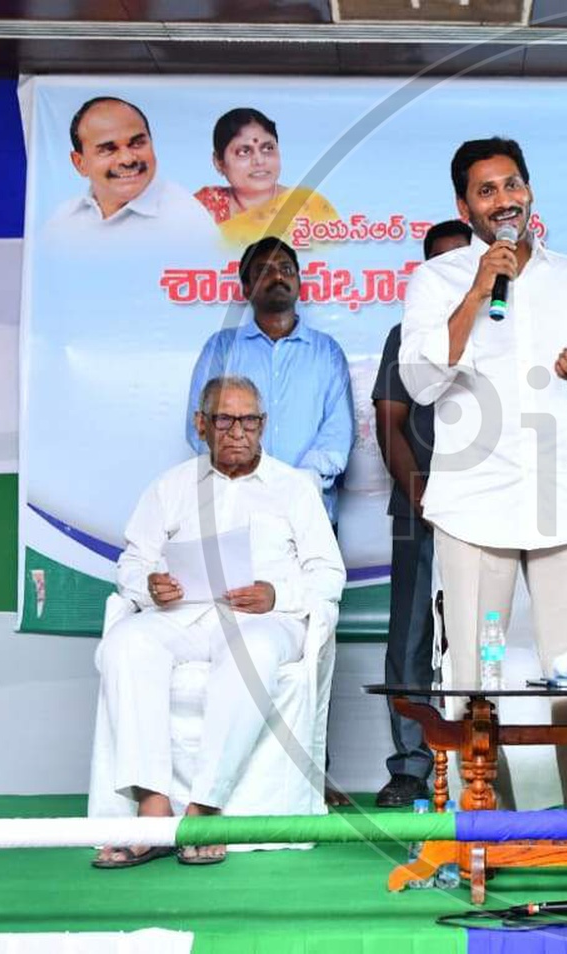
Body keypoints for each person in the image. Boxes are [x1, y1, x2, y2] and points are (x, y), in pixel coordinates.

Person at [399, 138, 567, 809]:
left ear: (530, 193)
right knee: (472, 679)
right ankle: (487, 830)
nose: (504, 200)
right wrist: (477, 288)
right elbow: (420, 381)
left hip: (558, 502)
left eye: (513, 185)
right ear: (465, 206)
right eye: (488, 190)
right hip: (473, 504)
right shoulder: (436, 281)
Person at [93, 375, 345, 868]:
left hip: (263, 621)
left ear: (263, 425)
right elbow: (132, 561)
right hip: (183, 615)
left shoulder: (294, 489)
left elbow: (328, 575)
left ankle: (205, 808)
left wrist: (278, 594)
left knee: (248, 654)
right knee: (126, 644)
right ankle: (153, 809)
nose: (238, 432)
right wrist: (149, 584)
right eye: (225, 419)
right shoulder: (169, 487)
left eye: (249, 420)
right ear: (201, 424)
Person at [372, 219, 470, 808]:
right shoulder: (404, 335)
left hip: (491, 512)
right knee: (411, 636)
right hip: (420, 507)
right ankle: (411, 765)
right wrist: (423, 497)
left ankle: (479, 762)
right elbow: (390, 422)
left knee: (482, 640)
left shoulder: (504, 334)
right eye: (438, 265)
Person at [186, 237, 355, 523]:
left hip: (309, 512)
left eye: (287, 269)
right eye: (265, 270)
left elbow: (338, 433)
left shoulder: (326, 352)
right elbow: (201, 427)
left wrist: (296, 484)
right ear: (247, 288)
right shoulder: (221, 349)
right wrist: (248, 478)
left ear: (299, 283)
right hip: (236, 510)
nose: (278, 276)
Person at [44, 96, 215, 241]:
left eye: (137, 143)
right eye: (108, 149)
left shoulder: (186, 220)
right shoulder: (63, 220)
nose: (127, 159)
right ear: (80, 163)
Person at [194, 107, 341, 246]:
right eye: (244, 152)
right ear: (219, 163)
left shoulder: (308, 206)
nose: (259, 160)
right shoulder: (206, 206)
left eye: (268, 148)